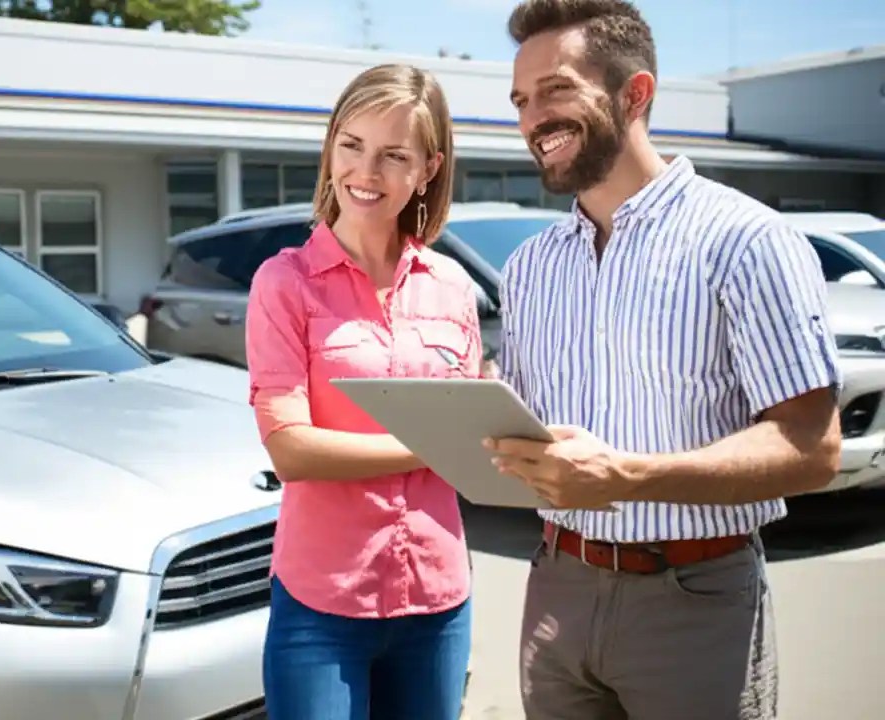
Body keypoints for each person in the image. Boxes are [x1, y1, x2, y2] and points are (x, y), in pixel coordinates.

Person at [484, 1, 842, 719]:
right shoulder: (528, 267)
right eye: (522, 101)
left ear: (634, 93)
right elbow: (529, 433)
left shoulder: (747, 241)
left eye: (556, 90)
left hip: (696, 597)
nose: (533, 120)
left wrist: (627, 477)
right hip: (558, 584)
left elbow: (813, 448)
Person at [245, 63, 479, 719]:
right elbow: (290, 449)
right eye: (351, 145)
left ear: (427, 167)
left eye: (393, 155)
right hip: (323, 604)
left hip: (437, 599)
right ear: (330, 147)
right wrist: (431, 447)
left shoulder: (453, 288)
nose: (365, 172)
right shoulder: (284, 283)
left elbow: (471, 434)